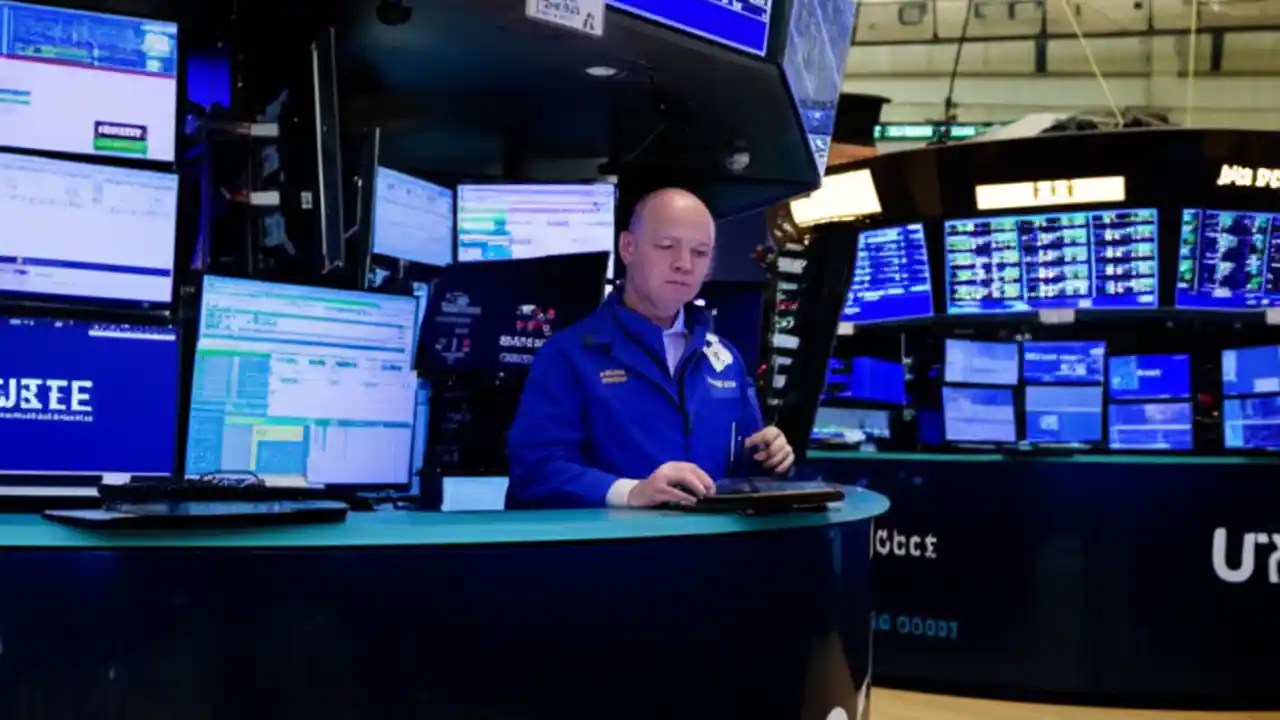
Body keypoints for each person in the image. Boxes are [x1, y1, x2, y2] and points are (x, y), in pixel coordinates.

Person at [506, 188, 795, 509]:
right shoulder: (568, 355)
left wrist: (770, 457)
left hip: (712, 551)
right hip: (615, 552)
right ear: (628, 247)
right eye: (667, 247)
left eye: (700, 252)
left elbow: (743, 468)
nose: (684, 264)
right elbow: (535, 471)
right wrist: (630, 492)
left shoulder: (725, 360)